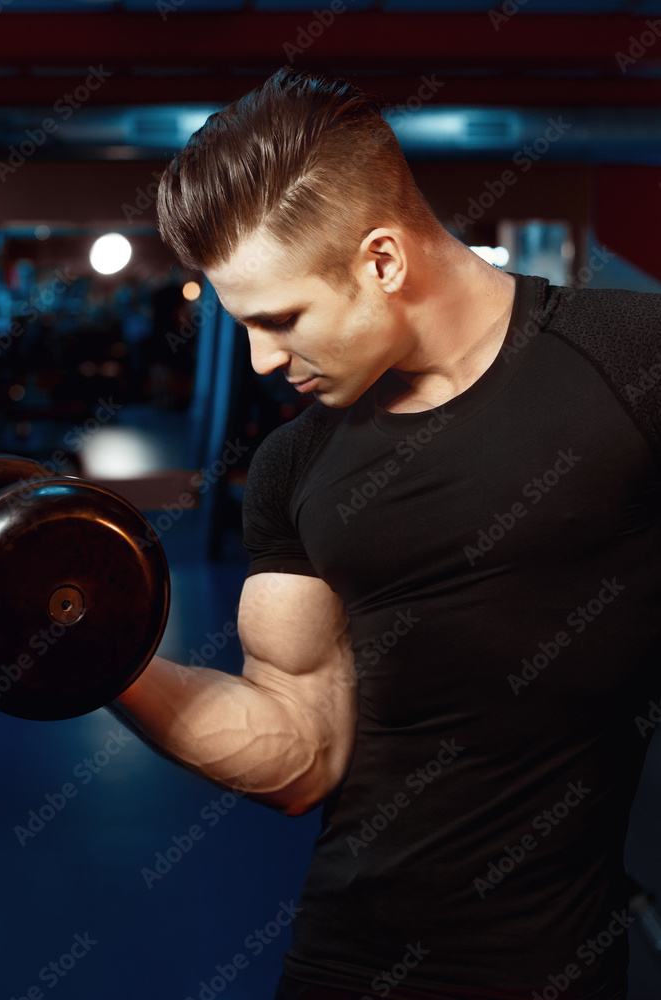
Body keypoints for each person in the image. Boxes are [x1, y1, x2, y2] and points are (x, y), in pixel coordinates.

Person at [113, 68, 661, 1000]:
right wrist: (101, 655)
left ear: (381, 261)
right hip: (339, 964)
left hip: (557, 968)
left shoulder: (629, 361)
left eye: (280, 319)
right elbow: (299, 750)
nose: (262, 358)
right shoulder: (295, 467)